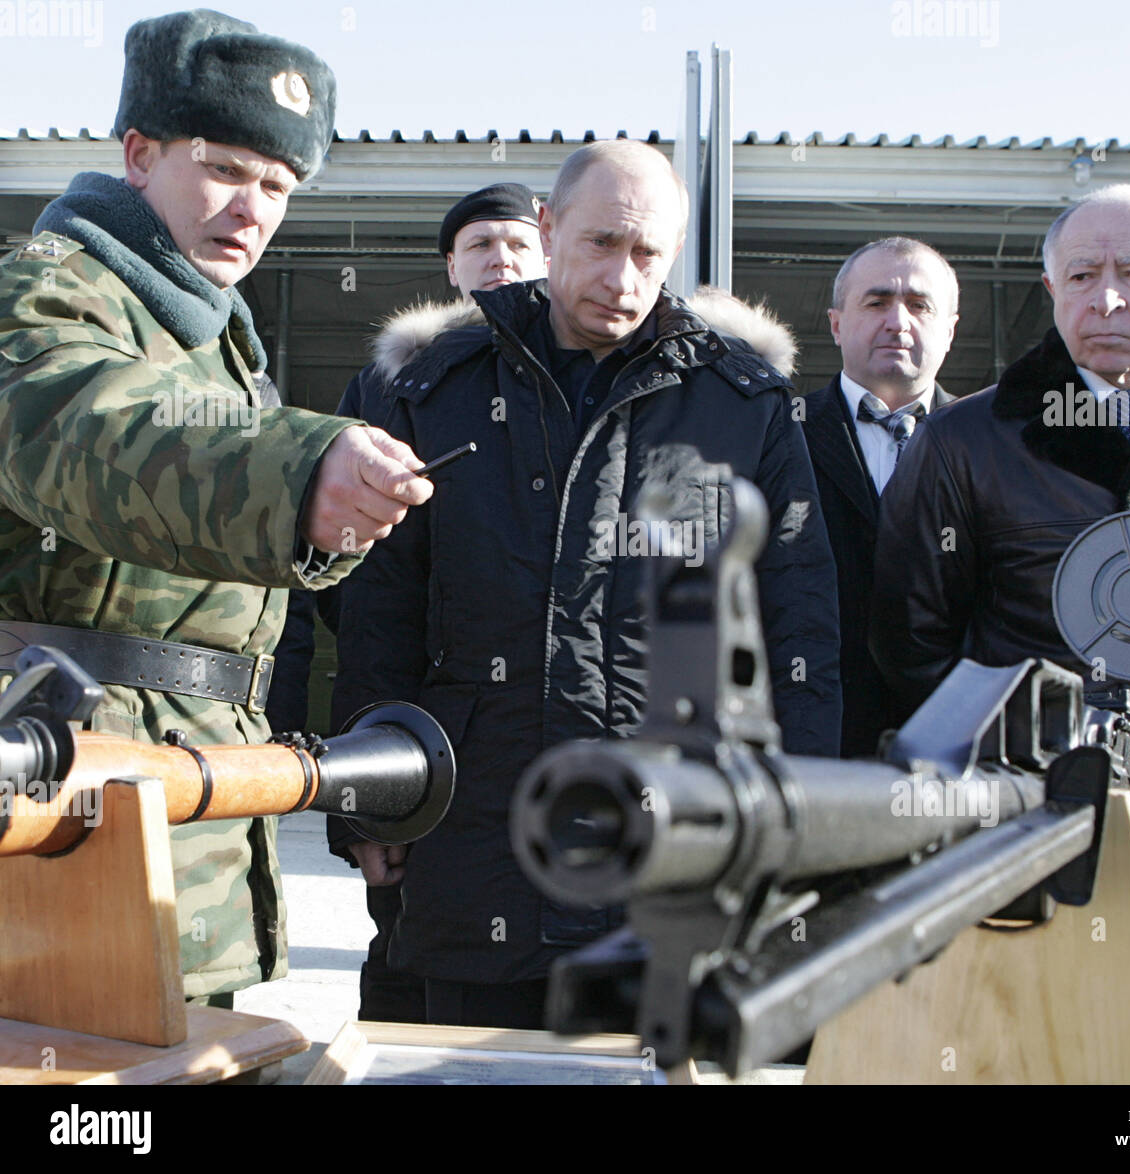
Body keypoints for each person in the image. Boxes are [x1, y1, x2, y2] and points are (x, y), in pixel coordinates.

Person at [328, 138, 841, 1028]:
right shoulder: (431, 388)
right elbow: (380, 612)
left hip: (671, 838)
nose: (622, 276)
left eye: (647, 255)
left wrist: (795, 827)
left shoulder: (741, 404)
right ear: (548, 226)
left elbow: (799, 621)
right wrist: (367, 800)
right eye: (601, 244)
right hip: (474, 825)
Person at [0, 9, 431, 1004]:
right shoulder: (46, 291)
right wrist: (297, 474)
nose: (254, 208)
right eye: (227, 169)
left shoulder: (208, 337)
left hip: (187, 821)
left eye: (279, 186)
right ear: (139, 152)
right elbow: (85, 435)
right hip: (57, 820)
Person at [869, 183, 1130, 1043]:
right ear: (1052, 287)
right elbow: (911, 649)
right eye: (1081, 275)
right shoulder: (967, 442)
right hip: (1023, 857)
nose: (1106, 298)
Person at [265, 182, 550, 1022]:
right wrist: (365, 786)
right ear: (450, 269)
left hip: (569, 752)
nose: (502, 258)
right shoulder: (392, 387)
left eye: (518, 244)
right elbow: (359, 597)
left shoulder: (591, 380)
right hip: (429, 739)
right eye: (481, 246)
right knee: (413, 966)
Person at [803, 238, 958, 757]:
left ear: (951, 330)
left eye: (919, 305)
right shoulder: (778, 434)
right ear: (836, 323)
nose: (898, 321)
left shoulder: (996, 444)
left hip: (952, 752)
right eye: (876, 302)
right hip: (811, 748)